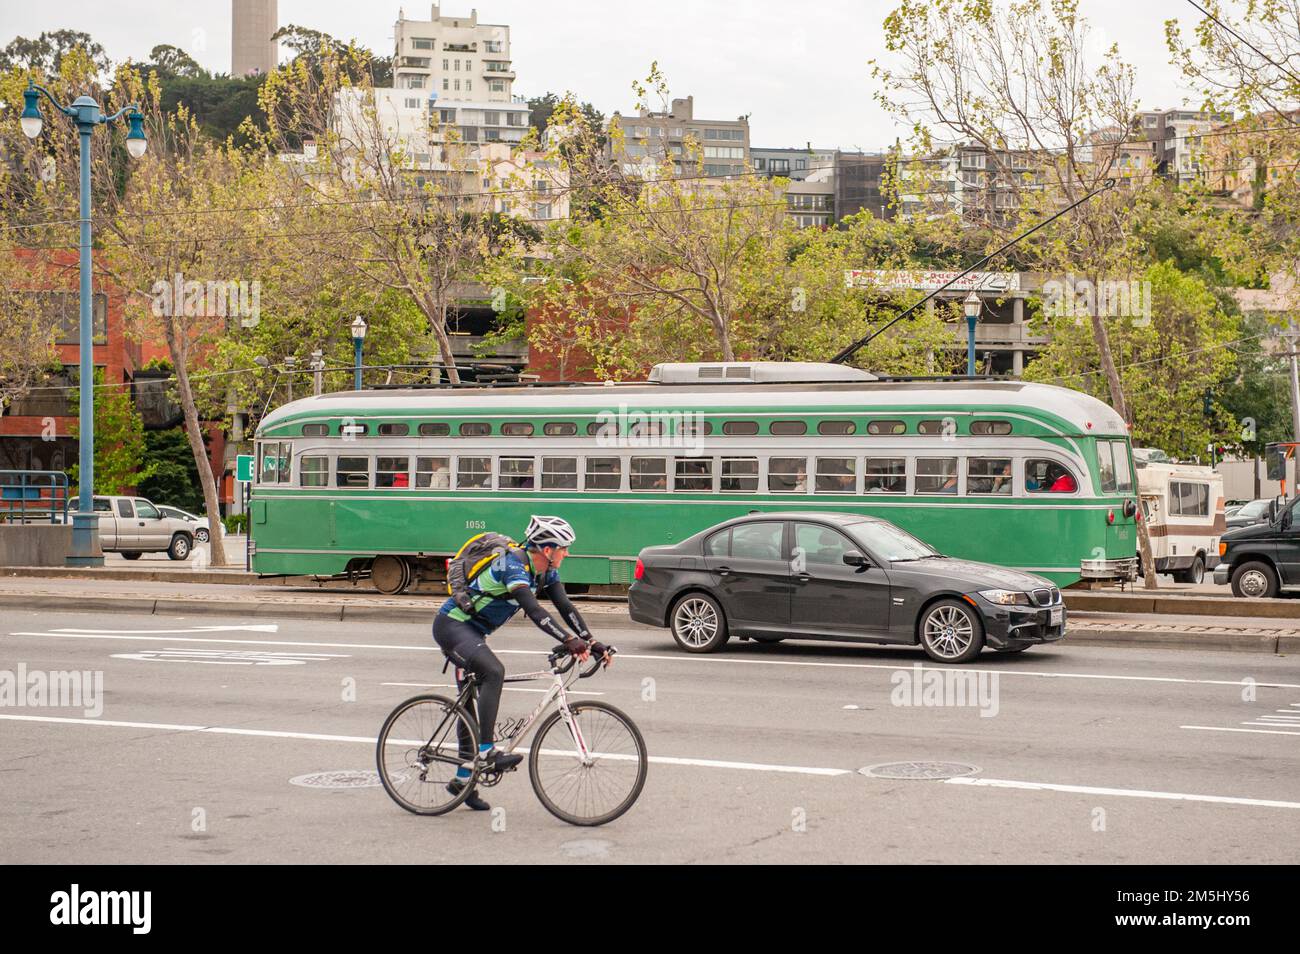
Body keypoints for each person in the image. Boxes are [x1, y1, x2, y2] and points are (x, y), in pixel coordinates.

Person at [432, 515, 612, 811]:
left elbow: (565, 607)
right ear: (547, 549)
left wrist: (591, 642)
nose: (567, 553)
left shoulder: (544, 573)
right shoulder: (512, 564)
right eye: (564, 548)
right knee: (494, 671)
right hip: (452, 626)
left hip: (473, 633)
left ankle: (463, 781)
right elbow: (533, 608)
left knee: (468, 708)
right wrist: (569, 641)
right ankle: (488, 752)